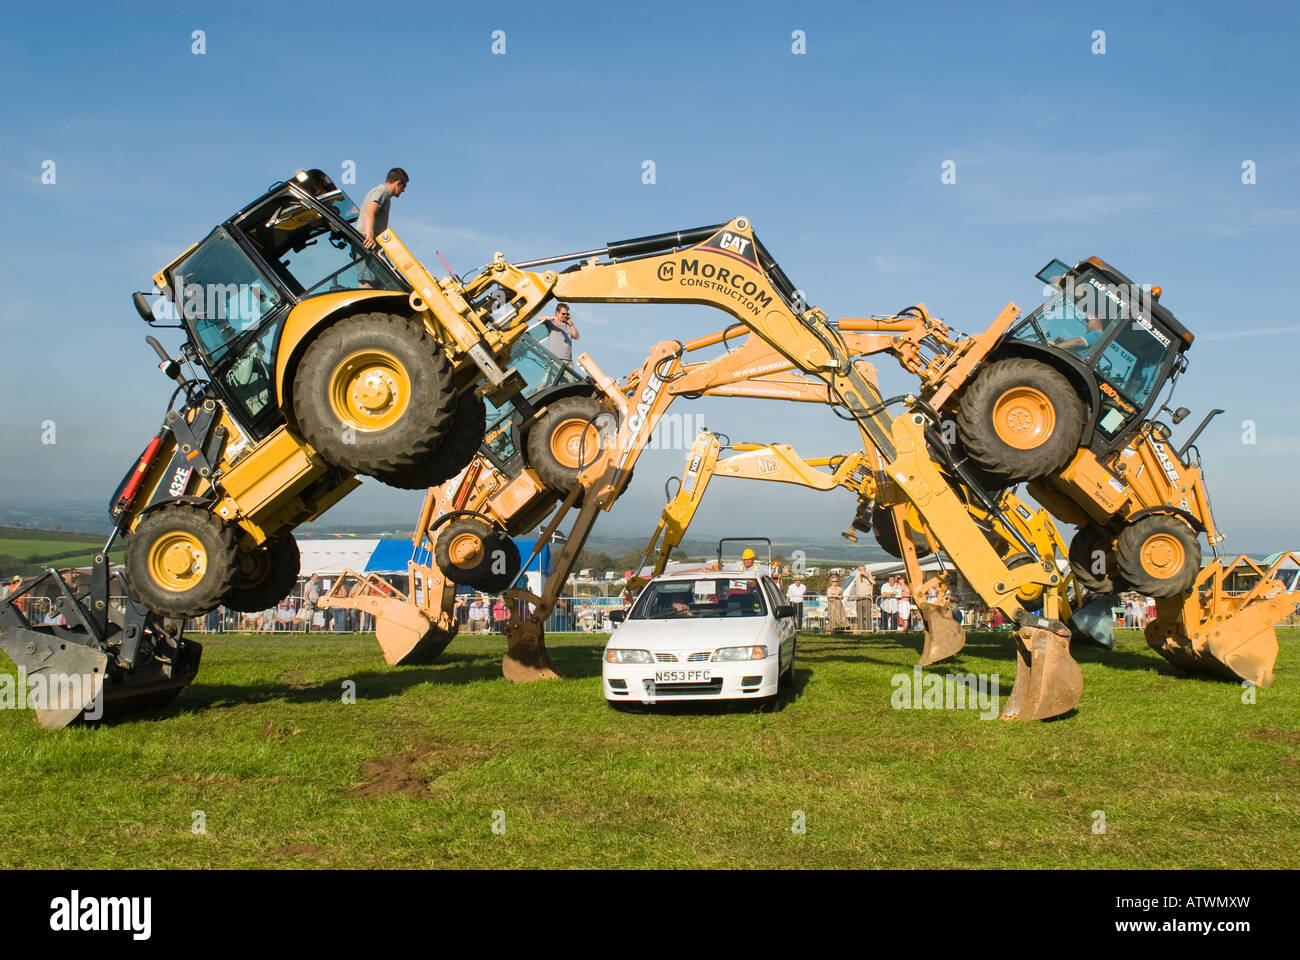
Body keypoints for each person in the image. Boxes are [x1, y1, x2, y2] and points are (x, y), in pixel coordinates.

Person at [356, 167, 409, 286]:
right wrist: (369, 236)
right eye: (403, 187)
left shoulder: (383, 194)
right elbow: (370, 211)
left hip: (373, 244)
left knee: (382, 283)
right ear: (398, 183)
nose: (403, 191)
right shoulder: (381, 192)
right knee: (368, 282)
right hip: (367, 242)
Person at [844, 565, 875, 633]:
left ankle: (868, 630)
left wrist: (866, 575)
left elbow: (874, 582)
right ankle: (861, 630)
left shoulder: (869, 576)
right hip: (858, 598)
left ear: (865, 569)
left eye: (862, 569)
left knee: (867, 615)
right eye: (860, 569)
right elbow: (855, 587)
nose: (861, 571)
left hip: (867, 598)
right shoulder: (857, 577)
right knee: (859, 615)